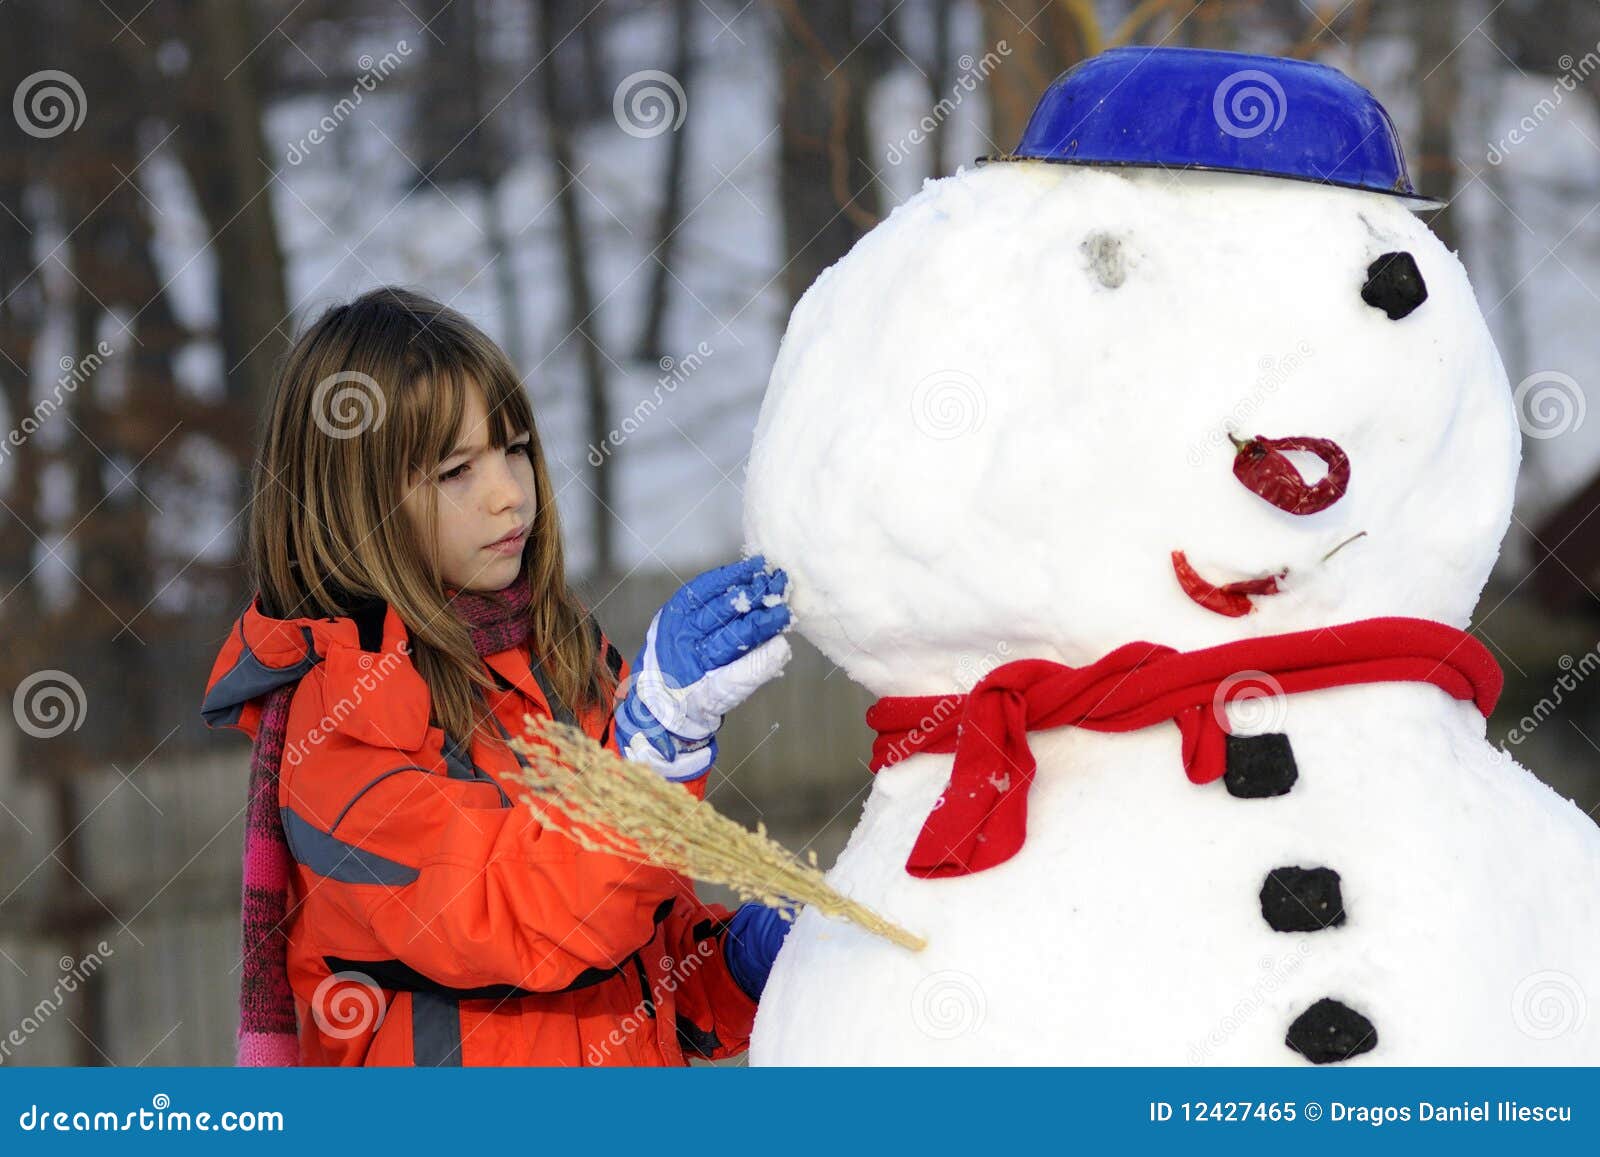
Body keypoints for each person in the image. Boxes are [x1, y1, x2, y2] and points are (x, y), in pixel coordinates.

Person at [200, 285, 794, 1066]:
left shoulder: (563, 661)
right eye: (455, 470)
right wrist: (652, 755)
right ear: (355, 503)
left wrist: (741, 967)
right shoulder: (338, 727)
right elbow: (523, 908)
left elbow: (637, 953)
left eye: (514, 447)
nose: (510, 492)